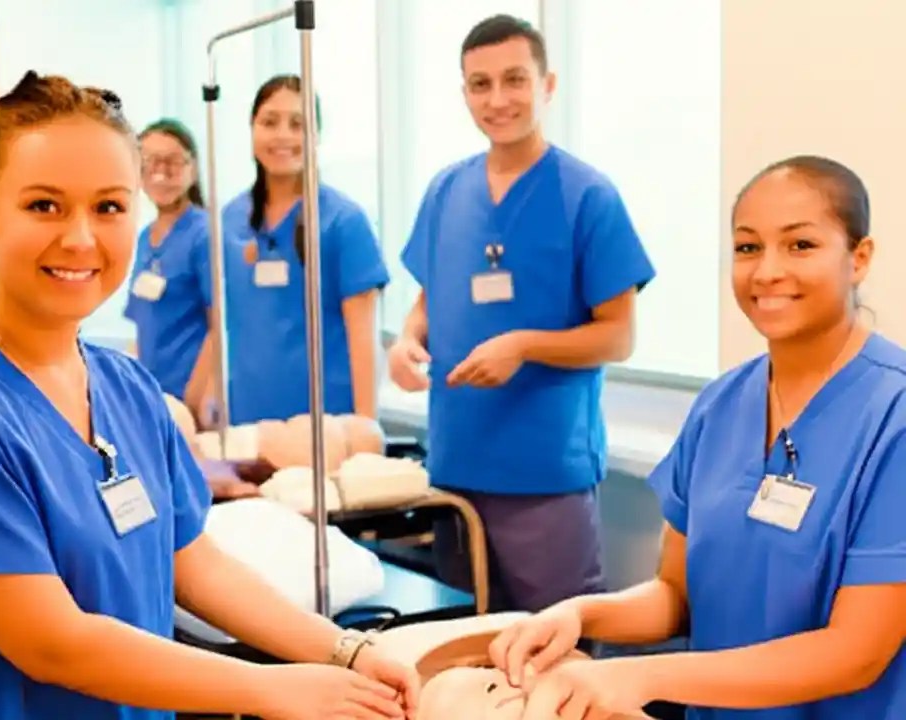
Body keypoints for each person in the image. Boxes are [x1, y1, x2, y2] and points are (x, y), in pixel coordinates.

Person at [0, 70, 419, 720]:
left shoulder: (128, 390)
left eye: (109, 207)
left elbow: (196, 564)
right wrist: (273, 689)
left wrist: (344, 650)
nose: (80, 238)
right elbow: (52, 644)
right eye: (44, 206)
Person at [488, 155, 906, 719]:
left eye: (800, 245)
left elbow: (856, 653)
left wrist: (641, 675)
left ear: (859, 257)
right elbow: (676, 596)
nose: (767, 271)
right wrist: (579, 615)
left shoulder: (892, 416)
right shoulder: (720, 407)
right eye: (748, 247)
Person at [388, 15, 655, 614]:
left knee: (555, 642)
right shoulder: (445, 192)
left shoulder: (587, 196)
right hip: (456, 463)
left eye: (514, 80)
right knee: (465, 637)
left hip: (543, 470)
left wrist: (524, 345)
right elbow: (429, 300)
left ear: (547, 85)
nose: (498, 99)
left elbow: (618, 336)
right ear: (464, 94)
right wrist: (406, 341)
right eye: (480, 85)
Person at [220, 74, 389, 425]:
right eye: (269, 122)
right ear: (252, 130)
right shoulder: (231, 219)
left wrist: (366, 429)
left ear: (317, 136)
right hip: (247, 422)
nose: (283, 135)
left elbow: (363, 341)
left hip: (327, 427)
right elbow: (222, 323)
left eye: (298, 124)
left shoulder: (343, 221)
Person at [124, 118, 213, 413]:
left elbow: (220, 328)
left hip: (189, 398)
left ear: (193, 168)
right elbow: (142, 324)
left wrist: (194, 401)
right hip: (153, 396)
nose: (161, 172)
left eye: (173, 161)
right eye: (149, 161)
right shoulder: (144, 238)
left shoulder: (204, 234)